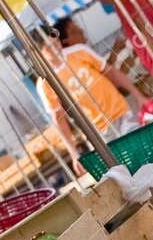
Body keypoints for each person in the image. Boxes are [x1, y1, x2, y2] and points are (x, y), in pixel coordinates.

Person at [35, 22, 140, 164]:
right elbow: (59, 118)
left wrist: (139, 96)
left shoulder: (79, 51)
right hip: (97, 131)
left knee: (140, 152)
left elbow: (110, 71)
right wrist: (73, 152)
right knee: (122, 165)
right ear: (39, 52)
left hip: (121, 111)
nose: (55, 48)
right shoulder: (45, 83)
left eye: (56, 42)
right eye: (49, 47)